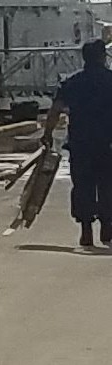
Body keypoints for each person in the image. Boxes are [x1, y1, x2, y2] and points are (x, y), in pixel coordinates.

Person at [50, 34, 112, 250]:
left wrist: (47, 134)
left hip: (81, 143)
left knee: (82, 186)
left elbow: (56, 109)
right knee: (107, 186)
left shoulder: (73, 82)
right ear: (103, 57)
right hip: (108, 144)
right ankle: (107, 226)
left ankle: (86, 228)